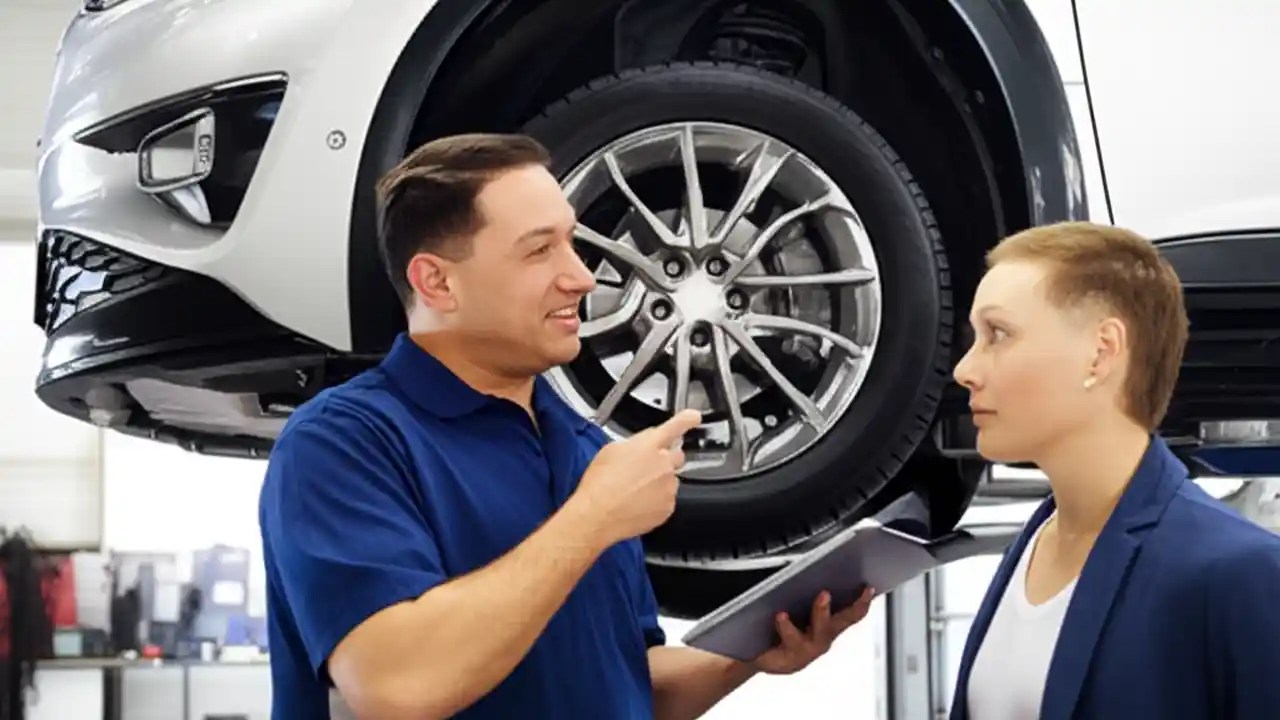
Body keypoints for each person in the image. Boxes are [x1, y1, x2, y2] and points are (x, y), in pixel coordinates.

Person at [257, 133, 875, 719]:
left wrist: (746, 653)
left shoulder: (582, 448)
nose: (582, 276)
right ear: (437, 282)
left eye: (572, 243)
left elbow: (625, 681)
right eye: (539, 250)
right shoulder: (344, 443)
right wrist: (593, 517)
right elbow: (397, 684)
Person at [948, 221, 1280, 720]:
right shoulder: (1029, 548)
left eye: (998, 334)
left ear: (1101, 352)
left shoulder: (1239, 573)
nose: (965, 370)